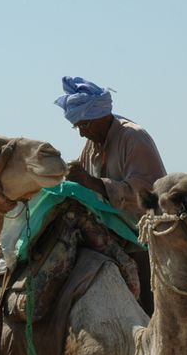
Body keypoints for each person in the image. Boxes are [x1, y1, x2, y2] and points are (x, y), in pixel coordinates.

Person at [55, 75, 166, 315]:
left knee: (147, 311)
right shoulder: (93, 145)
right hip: (112, 235)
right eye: (78, 126)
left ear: (102, 116)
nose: (81, 134)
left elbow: (149, 194)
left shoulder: (133, 138)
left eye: (84, 125)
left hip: (143, 241)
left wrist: (95, 184)